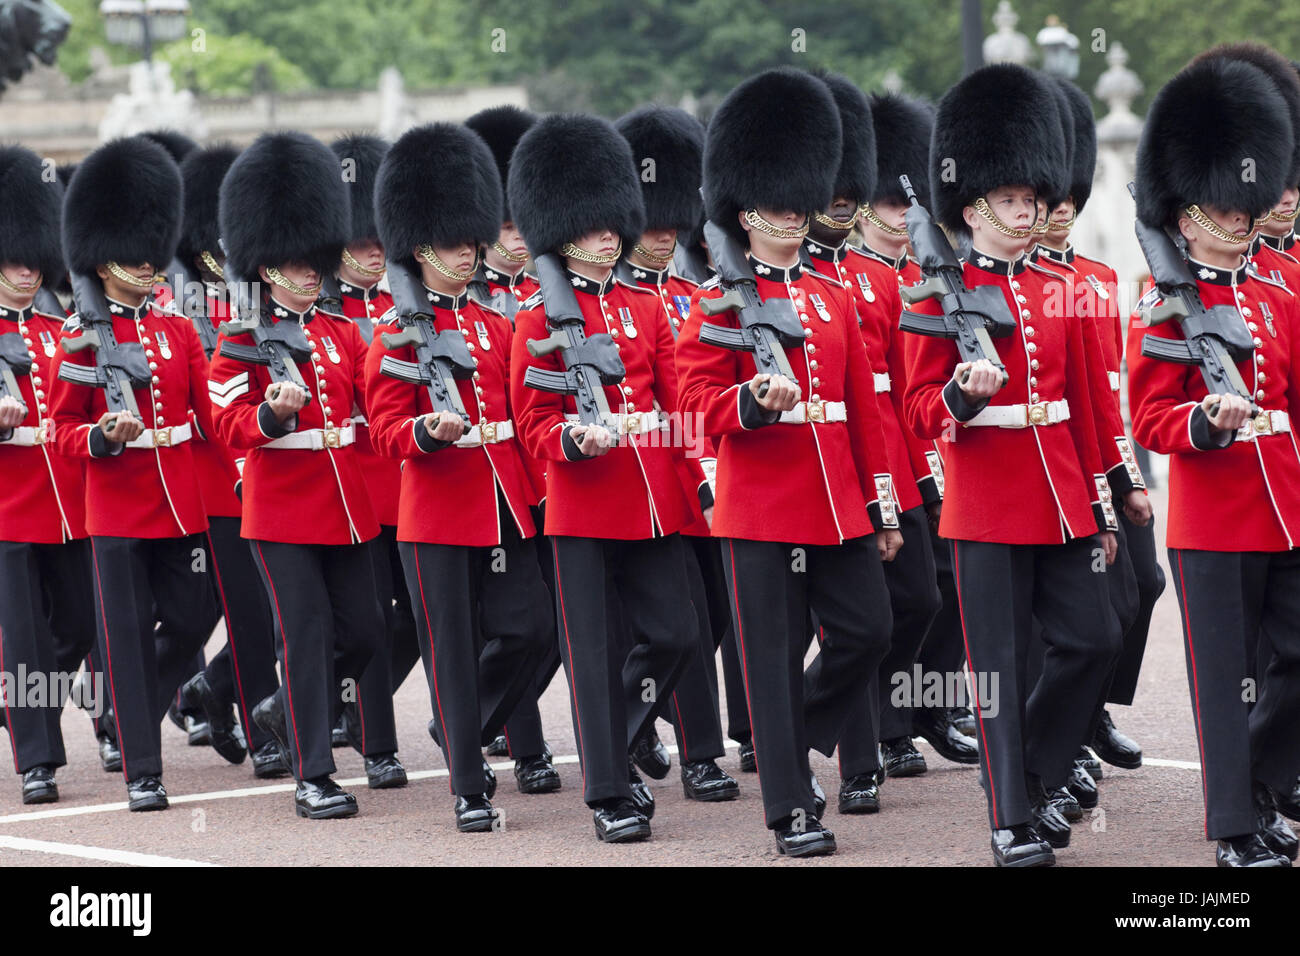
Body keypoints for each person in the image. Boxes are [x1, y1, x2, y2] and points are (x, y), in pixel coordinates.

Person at [677, 68, 903, 857]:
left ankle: (793, 739)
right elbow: (693, 407)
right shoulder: (716, 302)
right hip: (763, 503)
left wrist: (882, 505)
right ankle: (790, 809)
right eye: (780, 207)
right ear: (745, 213)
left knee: (869, 632)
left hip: (840, 500)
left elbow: (864, 410)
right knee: (768, 660)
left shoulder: (833, 296)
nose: (796, 218)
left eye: (800, 204)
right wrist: (749, 405)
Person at [902, 63, 1122, 866]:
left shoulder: (1062, 285)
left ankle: (1033, 775)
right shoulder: (934, 294)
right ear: (973, 208)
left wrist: (1100, 504)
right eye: (1013, 200)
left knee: (1093, 639)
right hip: (988, 499)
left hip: (1063, 495)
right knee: (993, 669)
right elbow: (918, 410)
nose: (1029, 212)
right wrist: (962, 396)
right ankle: (1009, 818)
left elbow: (1094, 409)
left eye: (1035, 199)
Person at [1128, 51, 1300, 867]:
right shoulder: (1164, 303)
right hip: (1216, 518)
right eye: (1223, 209)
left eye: (1246, 206)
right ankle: (1234, 827)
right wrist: (1205, 420)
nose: (1241, 218)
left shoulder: (1277, 291)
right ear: (1187, 215)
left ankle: (1264, 785)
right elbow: (1151, 417)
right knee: (1224, 684)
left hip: (1287, 505)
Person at [509, 112, 696, 843]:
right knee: (589, 653)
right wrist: (572, 442)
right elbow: (532, 423)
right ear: (562, 229)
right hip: (583, 501)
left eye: (610, 223)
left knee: (677, 635)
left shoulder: (644, 306)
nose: (608, 236)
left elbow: (678, 400)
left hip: (651, 499)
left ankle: (609, 742)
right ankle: (609, 794)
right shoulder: (536, 319)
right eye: (589, 227)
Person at [366, 121, 553, 831]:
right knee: (448, 648)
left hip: (505, 502)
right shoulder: (394, 332)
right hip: (438, 508)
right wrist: (424, 432)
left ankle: (463, 732)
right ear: (421, 249)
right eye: (456, 245)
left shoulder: (494, 323)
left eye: (475, 243)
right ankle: (468, 788)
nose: (472, 255)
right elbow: (385, 429)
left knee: (532, 629)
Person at [210, 131, 385, 820]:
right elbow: (227, 420)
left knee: (369, 631)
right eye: (296, 263)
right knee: (306, 636)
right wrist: (271, 416)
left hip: (346, 504)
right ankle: (314, 775)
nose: (312, 273)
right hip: (281, 508)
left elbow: (372, 403)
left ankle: (285, 706)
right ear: (265, 266)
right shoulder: (240, 335)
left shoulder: (342, 330)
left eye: (316, 261)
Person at [51, 135, 219, 812]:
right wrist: (100, 437)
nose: (150, 264)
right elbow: (64, 428)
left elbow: (211, 410)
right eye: (135, 253)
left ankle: (130, 706)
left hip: (179, 500)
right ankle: (143, 772)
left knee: (190, 618)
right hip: (117, 505)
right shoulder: (77, 334)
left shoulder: (177, 328)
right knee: (122, 633)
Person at [800, 72, 950, 814]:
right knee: (849, 617)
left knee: (916, 598)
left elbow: (897, 385)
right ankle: (859, 757)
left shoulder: (876, 277)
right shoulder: (783, 281)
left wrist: (918, 471)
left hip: (890, 457)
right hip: (821, 466)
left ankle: (864, 721)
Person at [1029, 76, 1162, 804]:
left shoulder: (1093, 275)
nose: (1054, 213)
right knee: (1070, 612)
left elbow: (1103, 382)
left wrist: (1125, 469)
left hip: (1106, 446)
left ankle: (1093, 708)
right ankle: (1065, 736)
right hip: (1051, 457)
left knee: (1143, 583)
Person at [615, 103, 739, 803]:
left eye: (672, 226)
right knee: (680, 627)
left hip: (708, 479)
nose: (664, 239)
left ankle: (637, 720)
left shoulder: (698, 293)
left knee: (711, 623)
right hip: (652, 484)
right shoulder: (612, 301)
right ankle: (698, 755)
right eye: (652, 226)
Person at [168, 143, 288, 779]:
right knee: (246, 606)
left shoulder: (257, 290)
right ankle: (257, 720)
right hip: (219, 477)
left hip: (268, 468)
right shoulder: (186, 300)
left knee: (274, 609)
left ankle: (213, 689)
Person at [0, 145, 96, 804]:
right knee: (26, 633)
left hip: (67, 496)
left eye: (35, 259)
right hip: (8, 502)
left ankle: (19, 703)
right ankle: (38, 758)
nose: (27, 271)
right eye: (14, 260)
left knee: (82, 627)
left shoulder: (58, 325)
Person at [327, 133, 409, 790]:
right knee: (369, 617)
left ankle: (347, 710)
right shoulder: (317, 311)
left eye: (376, 237)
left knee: (410, 616)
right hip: (350, 479)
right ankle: (377, 742)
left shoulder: (399, 303)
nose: (372, 251)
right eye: (358, 241)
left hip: (404, 477)